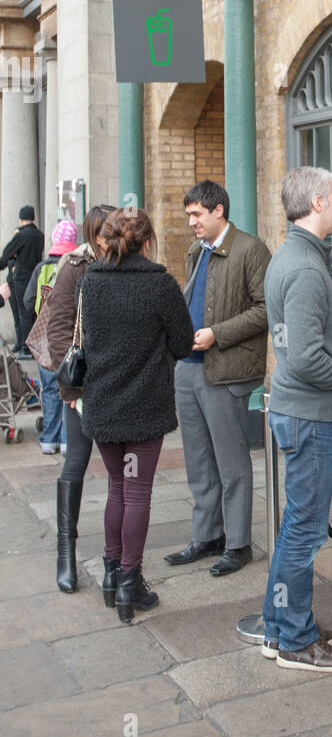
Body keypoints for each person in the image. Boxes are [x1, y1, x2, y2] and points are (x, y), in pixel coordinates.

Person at [261, 167, 332, 674]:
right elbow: (305, 357)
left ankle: (278, 626)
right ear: (314, 203)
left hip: (300, 412)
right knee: (304, 531)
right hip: (308, 415)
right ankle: (297, 641)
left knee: (295, 526)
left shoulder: (294, 254)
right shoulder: (304, 267)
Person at [79, 208, 193, 623]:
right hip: (143, 407)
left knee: (116, 488)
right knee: (137, 492)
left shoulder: (92, 280)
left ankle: (112, 575)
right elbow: (183, 344)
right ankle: (129, 580)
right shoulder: (160, 284)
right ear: (147, 242)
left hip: (104, 405)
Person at [164, 181, 271, 576]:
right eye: (189, 214)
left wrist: (217, 334)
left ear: (218, 211)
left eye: (196, 214)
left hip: (224, 371)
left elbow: (265, 309)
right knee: (198, 462)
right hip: (187, 369)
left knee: (231, 463)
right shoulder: (197, 250)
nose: (191, 221)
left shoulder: (251, 249)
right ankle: (207, 536)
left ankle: (238, 543)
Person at [45, 205, 117, 592]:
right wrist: (70, 389)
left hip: (117, 385)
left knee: (120, 474)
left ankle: (115, 557)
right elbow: (58, 334)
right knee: (76, 462)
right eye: (107, 232)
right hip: (84, 387)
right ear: (93, 235)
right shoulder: (75, 267)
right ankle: (65, 552)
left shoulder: (124, 262)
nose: (113, 239)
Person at [22, 220, 79, 455]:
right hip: (71, 339)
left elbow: (27, 301)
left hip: (46, 340)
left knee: (48, 390)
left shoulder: (42, 268)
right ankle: (68, 440)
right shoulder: (77, 267)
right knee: (69, 387)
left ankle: (49, 439)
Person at [0, 205, 44, 354]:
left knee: (23, 313)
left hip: (21, 278)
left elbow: (6, 255)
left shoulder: (21, 235)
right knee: (32, 312)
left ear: (21, 219)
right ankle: (30, 345)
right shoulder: (39, 235)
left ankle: (25, 348)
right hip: (36, 276)